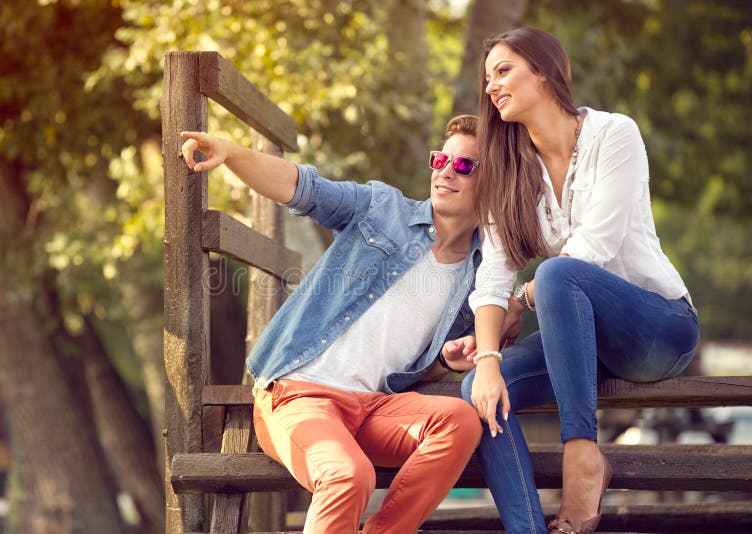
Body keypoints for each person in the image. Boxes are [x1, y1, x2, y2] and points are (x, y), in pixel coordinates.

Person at [181, 115, 484, 534]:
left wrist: (447, 364)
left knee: (460, 420)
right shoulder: (383, 209)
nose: (446, 171)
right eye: (440, 160)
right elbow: (299, 187)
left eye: (464, 165)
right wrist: (231, 152)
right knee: (347, 475)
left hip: (374, 406)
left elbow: (419, 366)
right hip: (299, 394)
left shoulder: (480, 275)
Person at [454, 27, 699, 534]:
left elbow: (594, 250)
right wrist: (489, 360)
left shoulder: (615, 134)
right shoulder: (506, 169)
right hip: (579, 343)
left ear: (543, 70)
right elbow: (492, 278)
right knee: (475, 389)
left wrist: (524, 297)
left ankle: (583, 461)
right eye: (488, 78)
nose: (493, 86)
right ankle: (529, 529)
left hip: (657, 327)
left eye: (504, 70)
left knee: (560, 271)